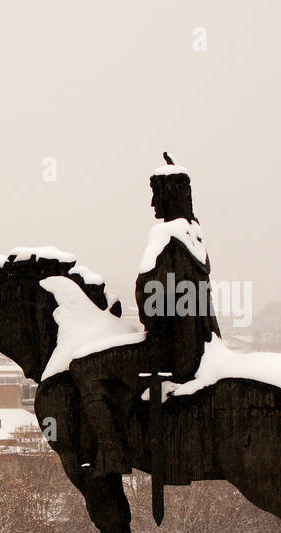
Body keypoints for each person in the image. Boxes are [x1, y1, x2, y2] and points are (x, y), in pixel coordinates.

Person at [68, 154, 221, 475]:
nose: (153, 203)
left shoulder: (167, 240)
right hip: (197, 345)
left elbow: (153, 308)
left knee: (84, 368)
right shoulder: (193, 236)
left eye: (156, 194)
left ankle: (113, 452)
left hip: (168, 350)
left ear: (169, 195)